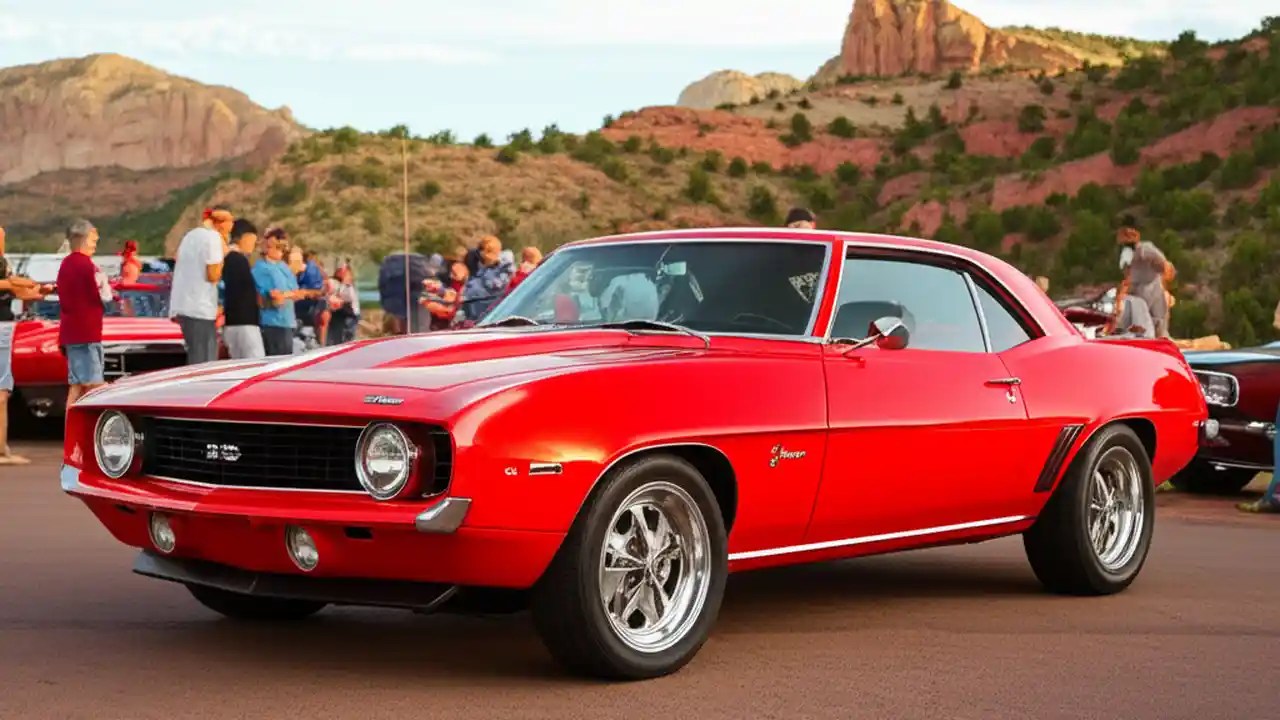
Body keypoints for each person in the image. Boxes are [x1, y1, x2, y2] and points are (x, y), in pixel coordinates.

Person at [0, 225, 51, 465]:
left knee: (4, 389)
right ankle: (1, 451)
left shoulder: (3, 262)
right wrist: (15, 283)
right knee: (1, 390)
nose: (2, 239)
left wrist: (39, 293)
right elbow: (8, 284)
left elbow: (15, 292)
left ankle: (3, 447)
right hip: (0, 328)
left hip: (5, 326)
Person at [56, 220, 111, 406]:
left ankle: (69, 431)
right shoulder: (87, 265)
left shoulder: (66, 264)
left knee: (77, 384)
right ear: (84, 240)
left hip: (71, 334)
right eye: (93, 240)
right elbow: (99, 296)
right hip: (87, 333)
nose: (95, 244)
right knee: (95, 385)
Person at [171, 206, 231, 364]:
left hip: (185, 306)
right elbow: (213, 275)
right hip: (200, 308)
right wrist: (224, 256)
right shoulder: (213, 238)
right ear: (222, 224)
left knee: (195, 356)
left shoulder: (190, 236)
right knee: (204, 362)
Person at [1114, 216, 1171, 339]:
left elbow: (1166, 268)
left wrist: (1164, 287)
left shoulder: (1146, 250)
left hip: (1152, 293)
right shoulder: (1125, 254)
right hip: (1136, 297)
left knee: (1157, 328)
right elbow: (1127, 275)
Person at [253, 230, 306, 356]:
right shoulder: (261, 268)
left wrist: (285, 295)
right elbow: (274, 296)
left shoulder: (283, 267)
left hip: (287, 321)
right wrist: (288, 295)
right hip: (272, 322)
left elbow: (298, 293)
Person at [221, 219, 264, 359]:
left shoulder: (227, 259)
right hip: (245, 323)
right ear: (243, 237)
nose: (253, 246)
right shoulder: (237, 260)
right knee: (254, 363)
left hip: (232, 322)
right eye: (252, 241)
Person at [460, 236, 514, 322]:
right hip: (472, 307)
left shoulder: (503, 268)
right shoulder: (482, 267)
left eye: (485, 250)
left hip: (488, 309)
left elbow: (495, 286)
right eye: (480, 250)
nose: (481, 254)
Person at [423, 261, 468, 330]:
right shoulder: (448, 283)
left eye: (454, 272)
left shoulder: (467, 287)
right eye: (451, 272)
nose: (451, 275)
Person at [325, 264, 360, 345]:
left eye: (344, 271)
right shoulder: (334, 282)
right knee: (336, 337)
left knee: (345, 338)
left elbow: (349, 300)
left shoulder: (348, 286)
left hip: (348, 315)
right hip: (340, 314)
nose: (341, 272)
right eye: (340, 270)